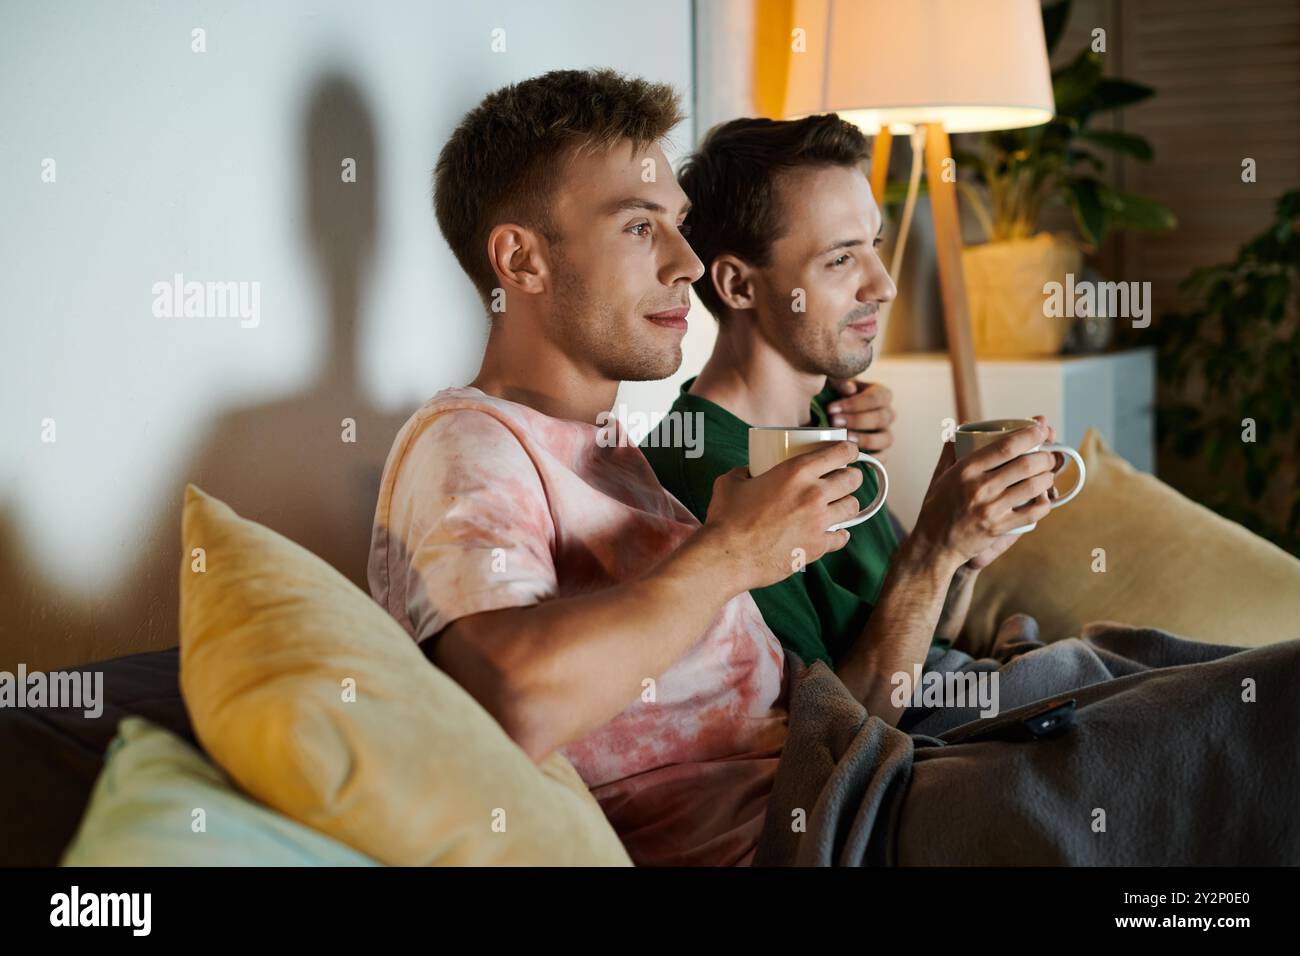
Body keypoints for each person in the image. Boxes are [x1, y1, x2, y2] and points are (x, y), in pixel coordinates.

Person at [366, 70, 1055, 866]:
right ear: (522, 261)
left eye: (680, 226)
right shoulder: (469, 445)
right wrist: (731, 554)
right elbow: (513, 701)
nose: (689, 265)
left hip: (863, 781)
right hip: (815, 832)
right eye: (637, 228)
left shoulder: (617, 460)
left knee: (1194, 704)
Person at [642, 113, 1060, 700]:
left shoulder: (821, 427)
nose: (883, 285)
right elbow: (841, 733)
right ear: (739, 286)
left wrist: (961, 559)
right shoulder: (705, 479)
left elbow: (918, 646)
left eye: (874, 246)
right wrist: (932, 551)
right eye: (840, 259)